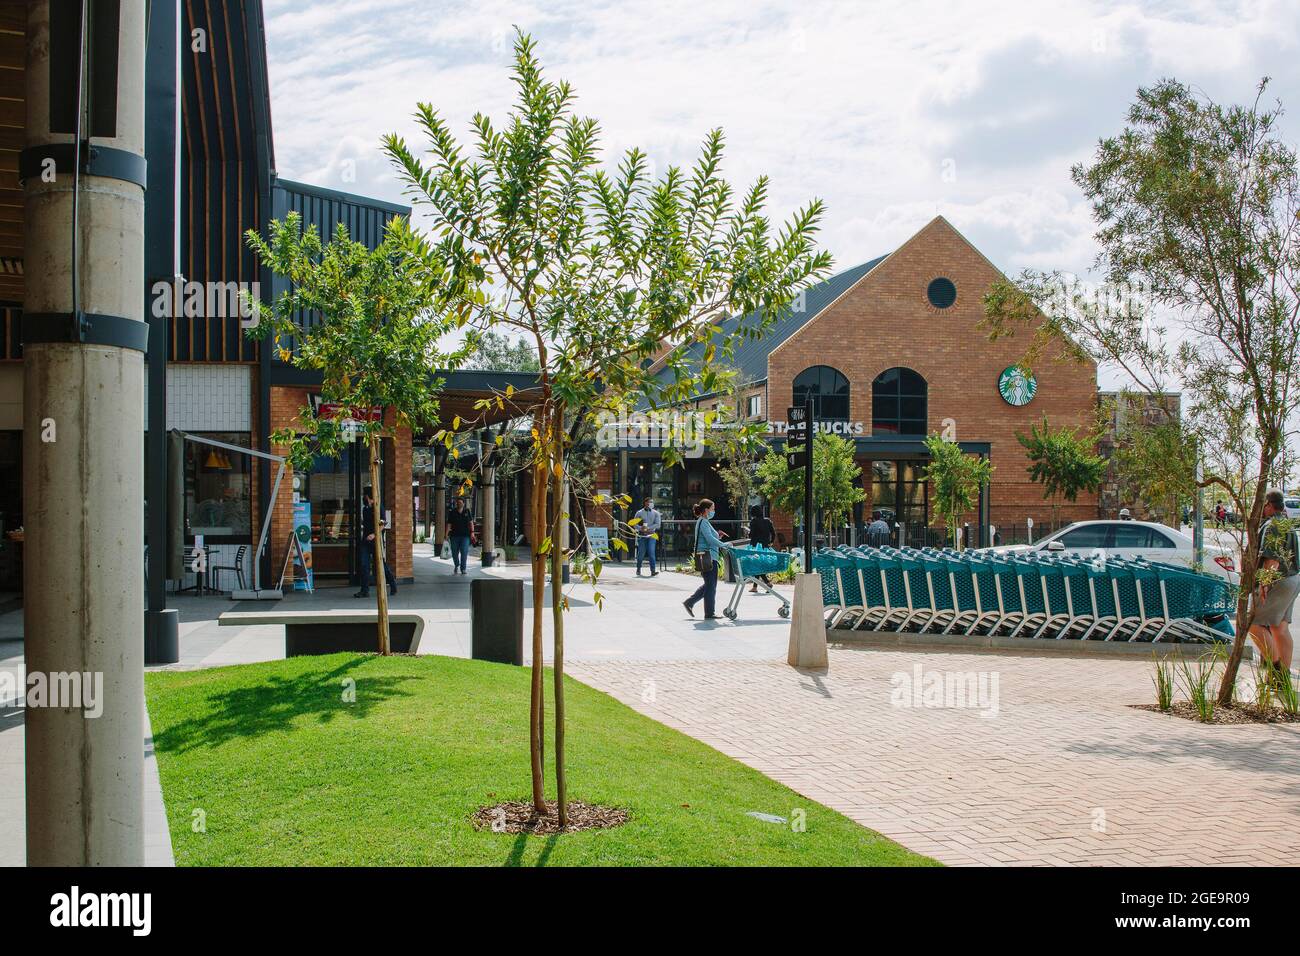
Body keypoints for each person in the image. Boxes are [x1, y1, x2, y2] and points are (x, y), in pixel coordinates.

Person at [1249, 489, 1298, 678]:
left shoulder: (1272, 525)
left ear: (1268, 505)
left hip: (1278, 581)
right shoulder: (1286, 522)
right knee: (1280, 627)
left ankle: (1276, 669)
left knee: (1252, 623)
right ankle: (1282, 677)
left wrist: (1264, 583)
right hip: (1292, 580)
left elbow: (1272, 559)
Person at [683, 499, 724, 620]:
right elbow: (710, 539)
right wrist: (724, 545)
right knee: (711, 585)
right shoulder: (703, 522)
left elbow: (710, 537)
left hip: (709, 556)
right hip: (708, 557)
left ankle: (690, 603)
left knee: (709, 585)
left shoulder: (704, 521)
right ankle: (709, 612)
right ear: (706, 510)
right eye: (712, 509)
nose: (714, 511)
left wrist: (718, 535)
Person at [355, 486, 396, 598]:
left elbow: (383, 524)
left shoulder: (378, 507)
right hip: (365, 541)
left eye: (365, 495)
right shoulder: (365, 508)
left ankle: (392, 584)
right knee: (364, 565)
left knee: (381, 565)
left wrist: (374, 535)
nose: (363, 497)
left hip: (376, 541)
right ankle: (364, 590)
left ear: (368, 496)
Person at [747, 505, 776, 593]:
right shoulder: (768, 521)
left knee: (757, 565)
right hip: (765, 547)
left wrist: (748, 532)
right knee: (759, 565)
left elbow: (751, 535)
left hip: (756, 547)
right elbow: (773, 533)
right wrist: (771, 542)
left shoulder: (753, 522)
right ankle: (756, 586)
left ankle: (767, 583)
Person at [445, 496, 476, 575]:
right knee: (454, 552)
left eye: (461, 503)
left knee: (464, 552)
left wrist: (472, 532)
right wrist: (446, 534)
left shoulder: (467, 511)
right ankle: (456, 565)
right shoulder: (452, 512)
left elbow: (471, 522)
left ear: (463, 504)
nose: (459, 504)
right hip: (454, 536)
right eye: (458, 503)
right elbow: (449, 524)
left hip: (465, 536)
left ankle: (463, 568)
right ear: (456, 504)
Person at [632, 496, 662, 576]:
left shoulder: (656, 513)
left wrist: (649, 528)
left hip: (652, 535)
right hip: (642, 535)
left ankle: (653, 570)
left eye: (651, 502)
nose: (650, 503)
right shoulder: (639, 513)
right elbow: (634, 524)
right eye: (649, 502)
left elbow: (658, 525)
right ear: (645, 503)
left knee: (651, 552)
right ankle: (638, 569)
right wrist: (640, 528)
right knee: (641, 553)